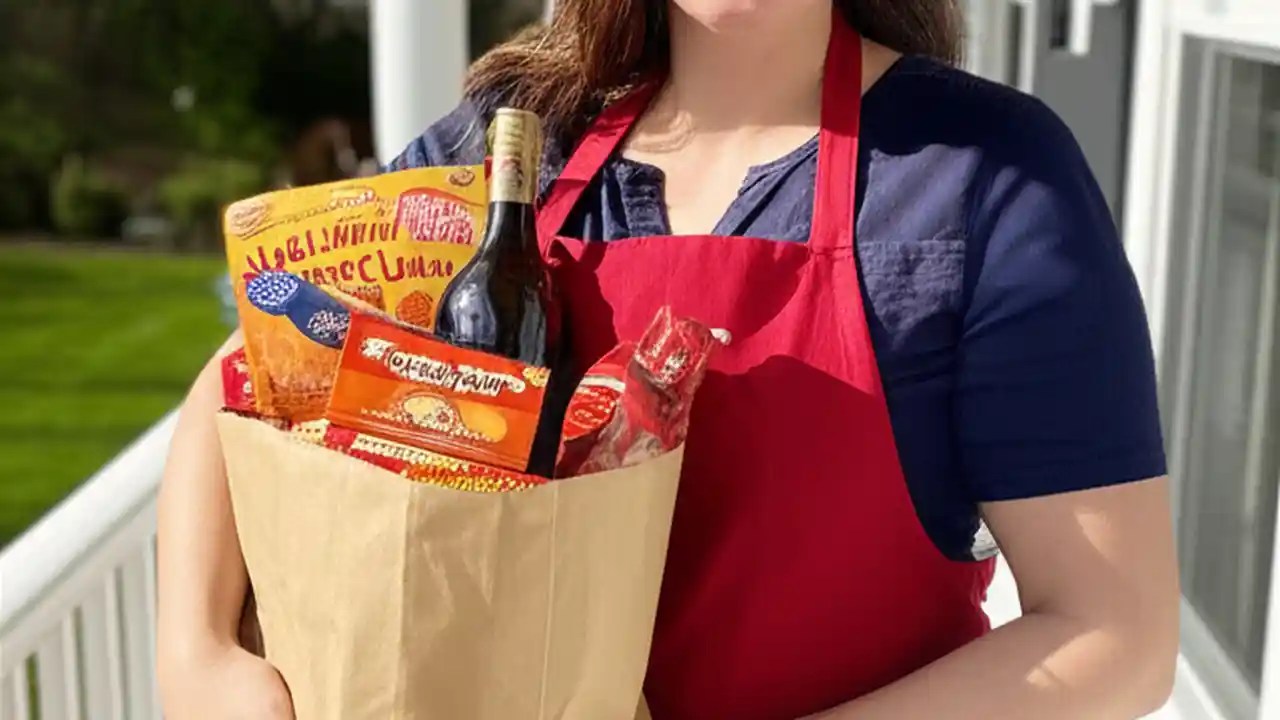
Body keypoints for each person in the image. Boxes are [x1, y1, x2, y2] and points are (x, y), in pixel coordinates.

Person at [156, 1, 1179, 718]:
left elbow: (1111, 633)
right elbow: (254, 371)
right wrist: (197, 658)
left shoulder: (984, 178)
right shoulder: (513, 140)